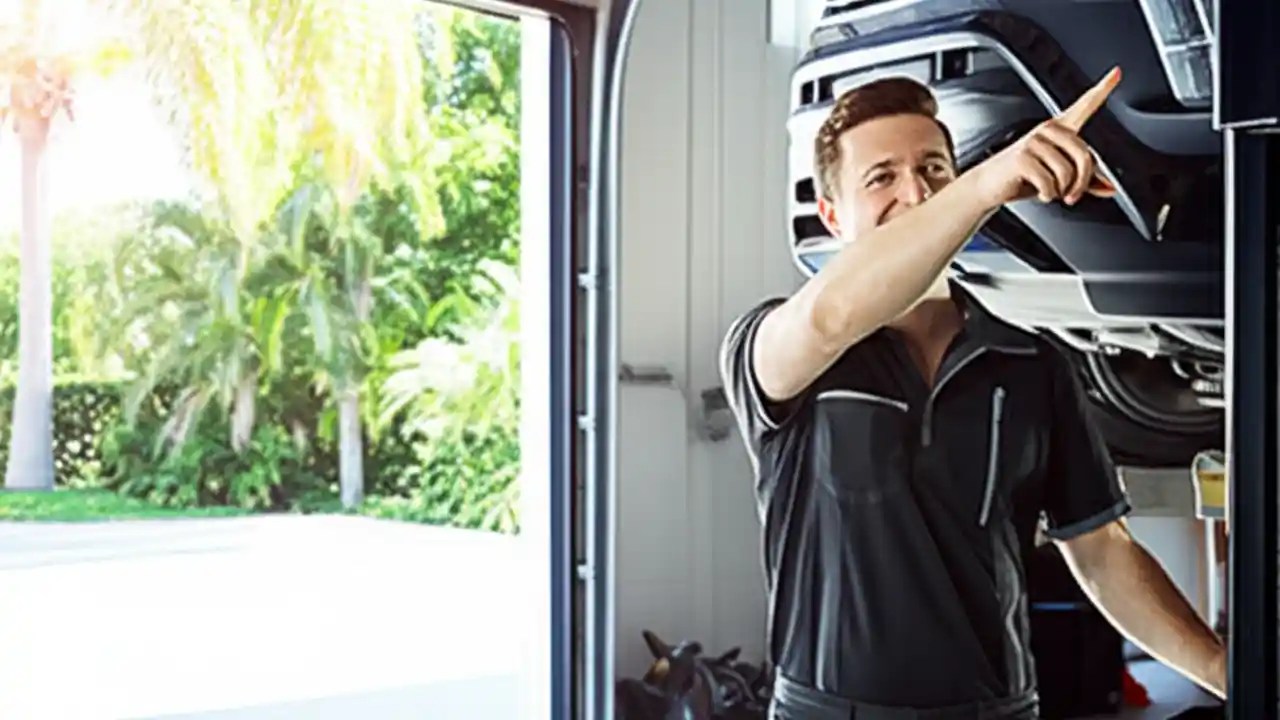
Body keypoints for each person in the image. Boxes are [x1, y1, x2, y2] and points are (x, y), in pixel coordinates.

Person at [719, 67, 1227, 719]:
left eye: (934, 169)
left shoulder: (1033, 360)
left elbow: (1102, 550)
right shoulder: (773, 345)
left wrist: (1226, 672)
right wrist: (992, 181)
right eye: (881, 177)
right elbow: (833, 314)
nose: (917, 192)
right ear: (831, 214)